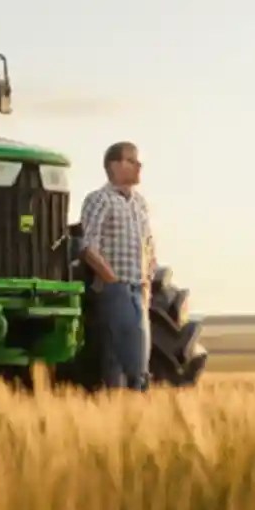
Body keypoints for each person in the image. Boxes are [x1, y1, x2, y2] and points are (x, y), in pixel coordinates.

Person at [78, 141, 156, 390]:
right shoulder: (99, 199)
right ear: (115, 165)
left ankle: (118, 409)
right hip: (115, 288)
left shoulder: (140, 203)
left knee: (117, 357)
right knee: (133, 350)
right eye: (132, 161)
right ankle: (138, 395)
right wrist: (112, 280)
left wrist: (148, 281)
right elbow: (88, 247)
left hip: (139, 287)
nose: (139, 166)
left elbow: (149, 244)